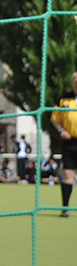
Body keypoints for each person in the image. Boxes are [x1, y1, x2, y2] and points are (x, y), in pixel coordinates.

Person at [52, 71, 77, 218]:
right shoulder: (63, 99)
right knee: (68, 174)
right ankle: (65, 207)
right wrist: (61, 130)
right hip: (70, 143)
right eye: (75, 80)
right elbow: (55, 118)